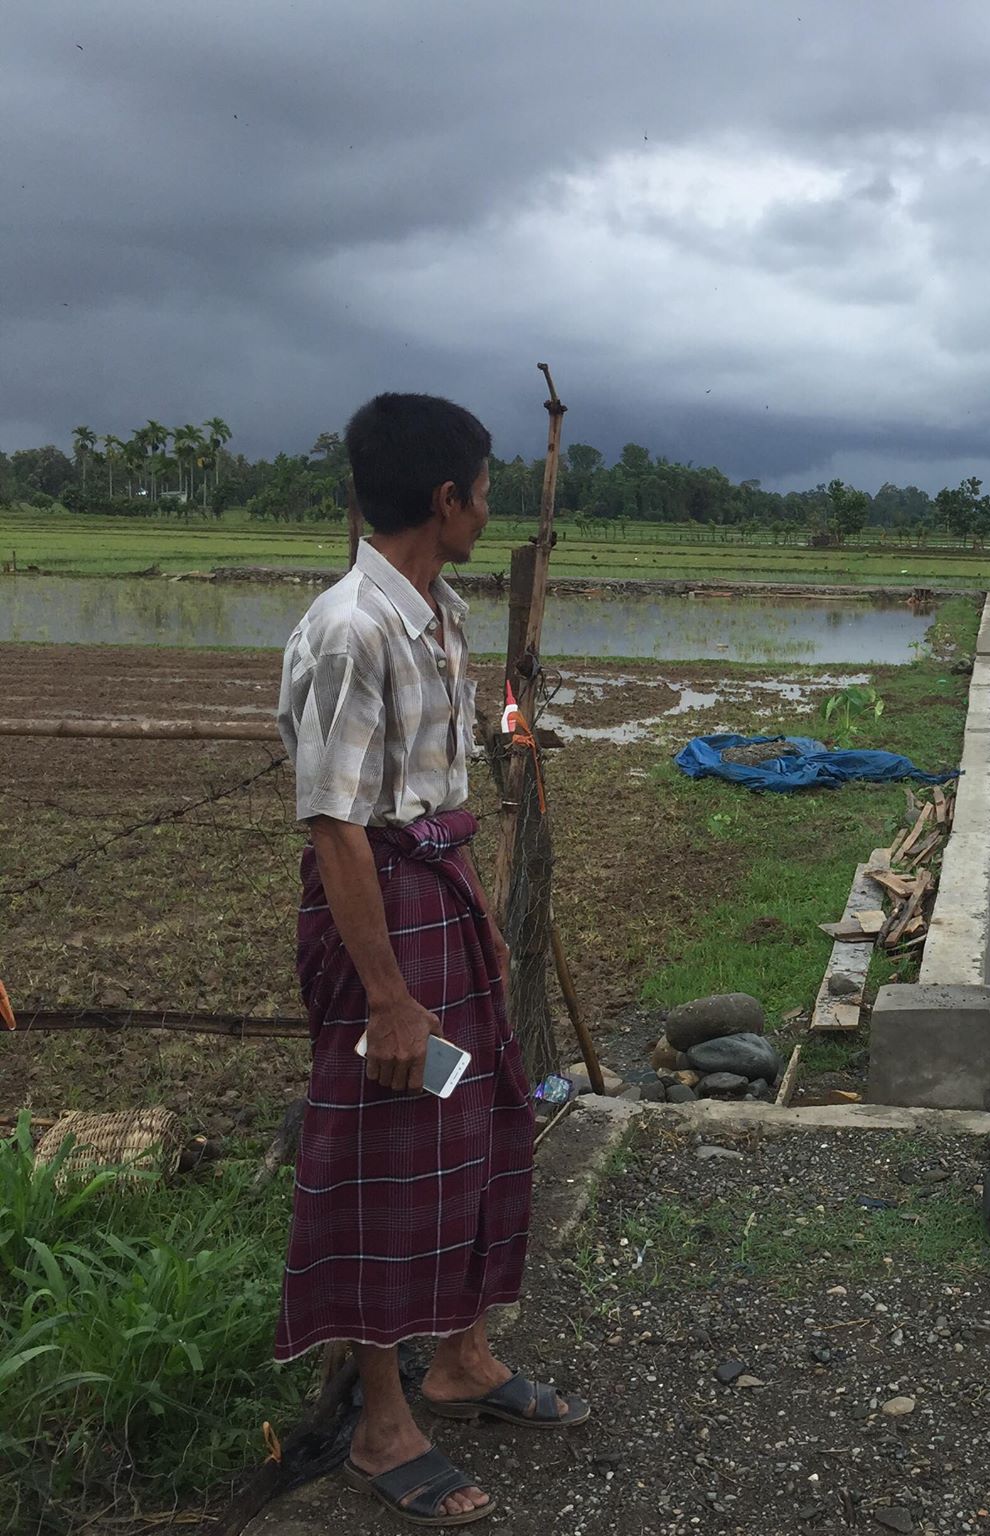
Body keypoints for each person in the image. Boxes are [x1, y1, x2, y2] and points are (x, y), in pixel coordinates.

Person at [273, 393, 586, 1527]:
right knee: (383, 1159)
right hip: (379, 920)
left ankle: (462, 1358)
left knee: (479, 1125)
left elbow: (432, 795)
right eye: (485, 491)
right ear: (447, 500)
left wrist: (475, 916)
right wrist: (390, 995)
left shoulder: (439, 610)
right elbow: (336, 826)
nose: (488, 508)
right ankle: (380, 1423)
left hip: (437, 897)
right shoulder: (351, 628)